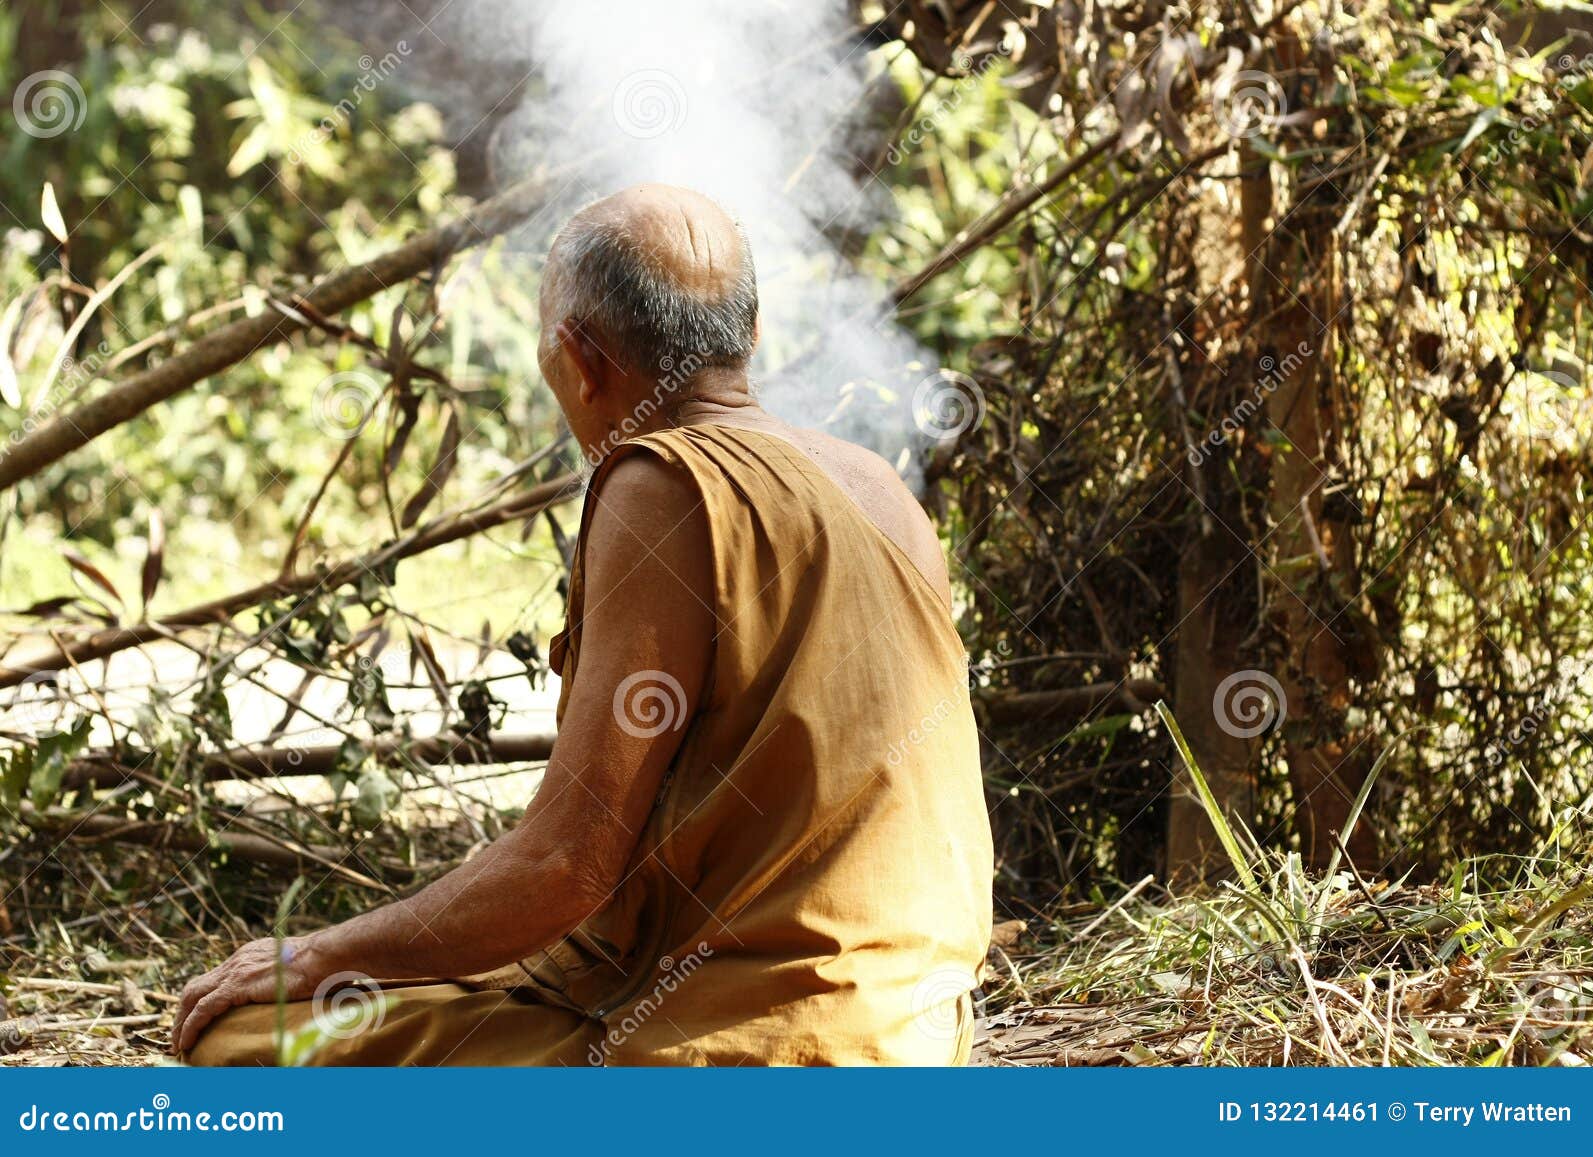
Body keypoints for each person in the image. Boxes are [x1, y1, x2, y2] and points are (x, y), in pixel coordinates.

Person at [178, 184, 992, 1066]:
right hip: (917, 1032)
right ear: (752, 335)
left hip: (748, 1046)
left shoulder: (662, 481)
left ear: (578, 358)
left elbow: (562, 871)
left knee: (245, 1041)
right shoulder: (879, 485)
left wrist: (320, 953)